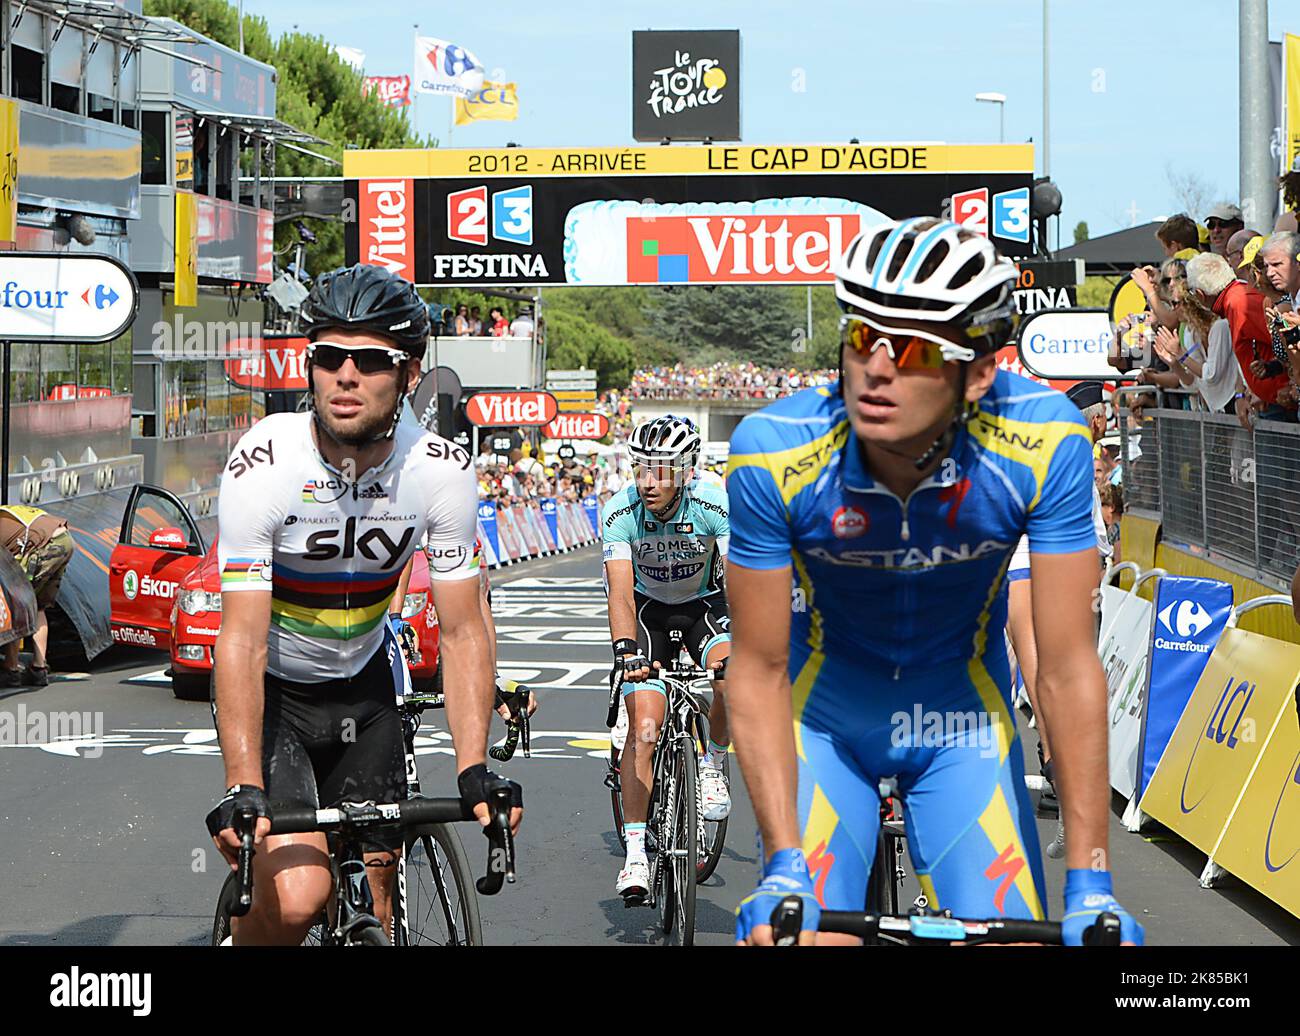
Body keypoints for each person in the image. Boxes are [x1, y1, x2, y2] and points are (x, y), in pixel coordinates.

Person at [725, 216, 1142, 946]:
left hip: (963, 724)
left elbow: (1068, 667)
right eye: (861, 338)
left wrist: (1092, 884)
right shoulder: (773, 452)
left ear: (977, 372)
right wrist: (784, 865)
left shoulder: (1045, 445)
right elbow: (756, 669)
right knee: (804, 937)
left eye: (912, 349)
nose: (875, 370)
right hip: (824, 721)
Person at [205, 263, 522, 945]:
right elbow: (241, 640)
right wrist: (240, 783)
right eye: (328, 356)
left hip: (366, 689)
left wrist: (472, 768)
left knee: (377, 901)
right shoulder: (265, 462)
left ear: (409, 373)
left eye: (371, 360)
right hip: (277, 695)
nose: (345, 375)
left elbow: (464, 630)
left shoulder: (440, 469)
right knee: (296, 899)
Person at [602, 416, 733, 903]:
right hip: (648, 612)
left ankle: (713, 764)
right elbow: (619, 593)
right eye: (640, 469)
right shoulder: (620, 511)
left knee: (731, 676)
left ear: (685, 470)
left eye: (659, 471)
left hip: (705, 606)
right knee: (645, 729)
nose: (646, 482)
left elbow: (740, 581)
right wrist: (625, 652)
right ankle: (636, 855)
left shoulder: (714, 502)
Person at [1186, 252, 1294, 425]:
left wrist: (1291, 385)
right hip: (1273, 402)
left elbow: (1289, 343)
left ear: (1200, 294)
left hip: (1281, 405)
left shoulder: (1239, 304)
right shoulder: (1234, 301)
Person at [0, 504, 74, 687]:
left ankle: (11, 668)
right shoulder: (8, 513)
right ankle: (38, 669)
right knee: (39, 605)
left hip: (48, 545)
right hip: (66, 540)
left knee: (17, 602)